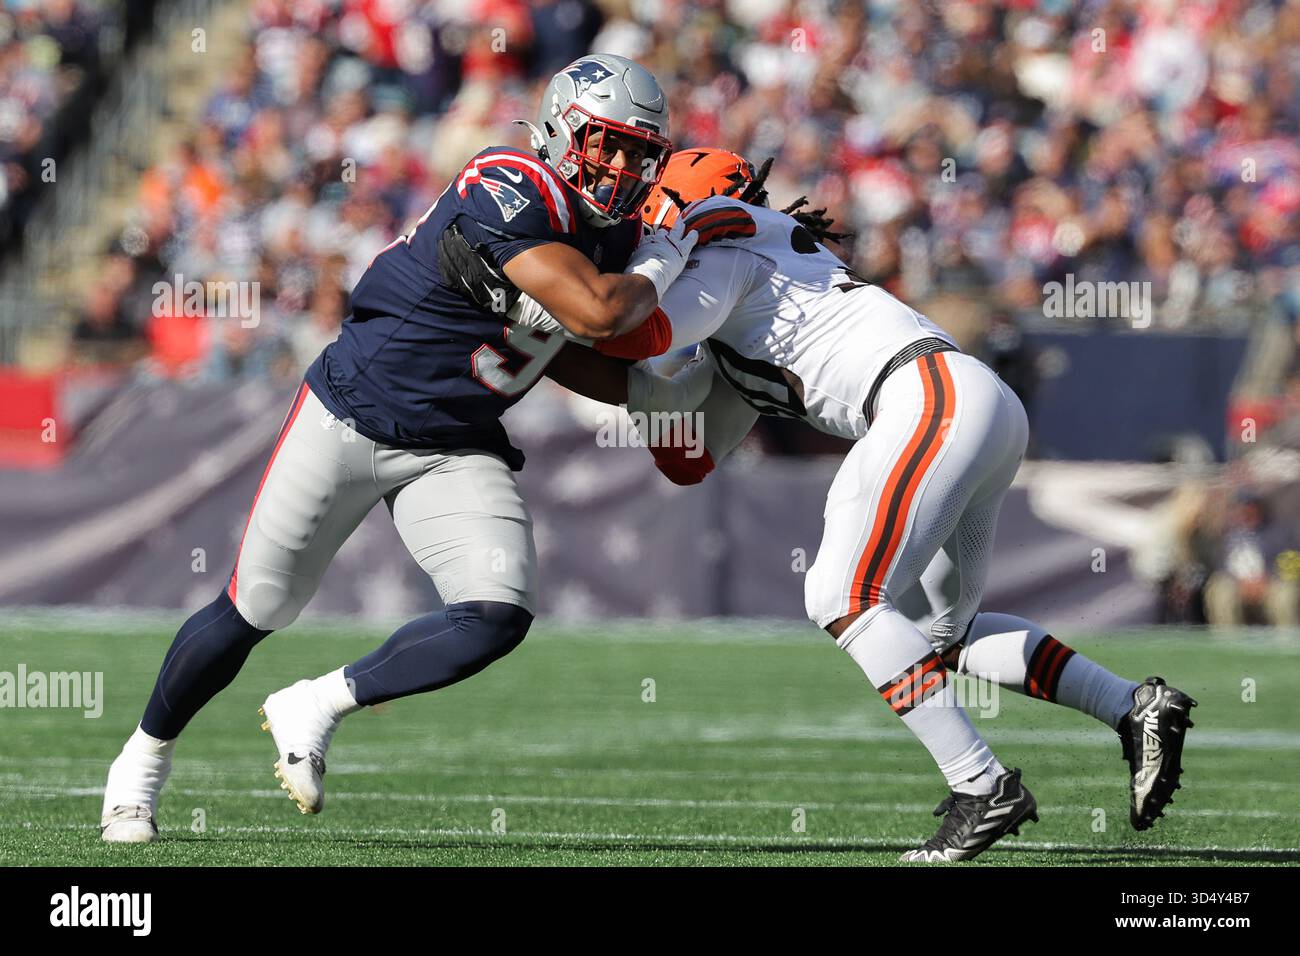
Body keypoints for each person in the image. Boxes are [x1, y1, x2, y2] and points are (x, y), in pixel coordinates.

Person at [99, 54, 698, 842]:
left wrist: (672, 392)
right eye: (607, 144)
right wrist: (672, 250)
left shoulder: (614, 232)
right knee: (257, 606)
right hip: (350, 414)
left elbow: (561, 345)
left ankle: (317, 701)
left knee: (495, 614)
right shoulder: (509, 180)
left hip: (455, 444)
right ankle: (139, 766)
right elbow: (591, 312)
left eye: (636, 153)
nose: (620, 167)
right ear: (561, 129)